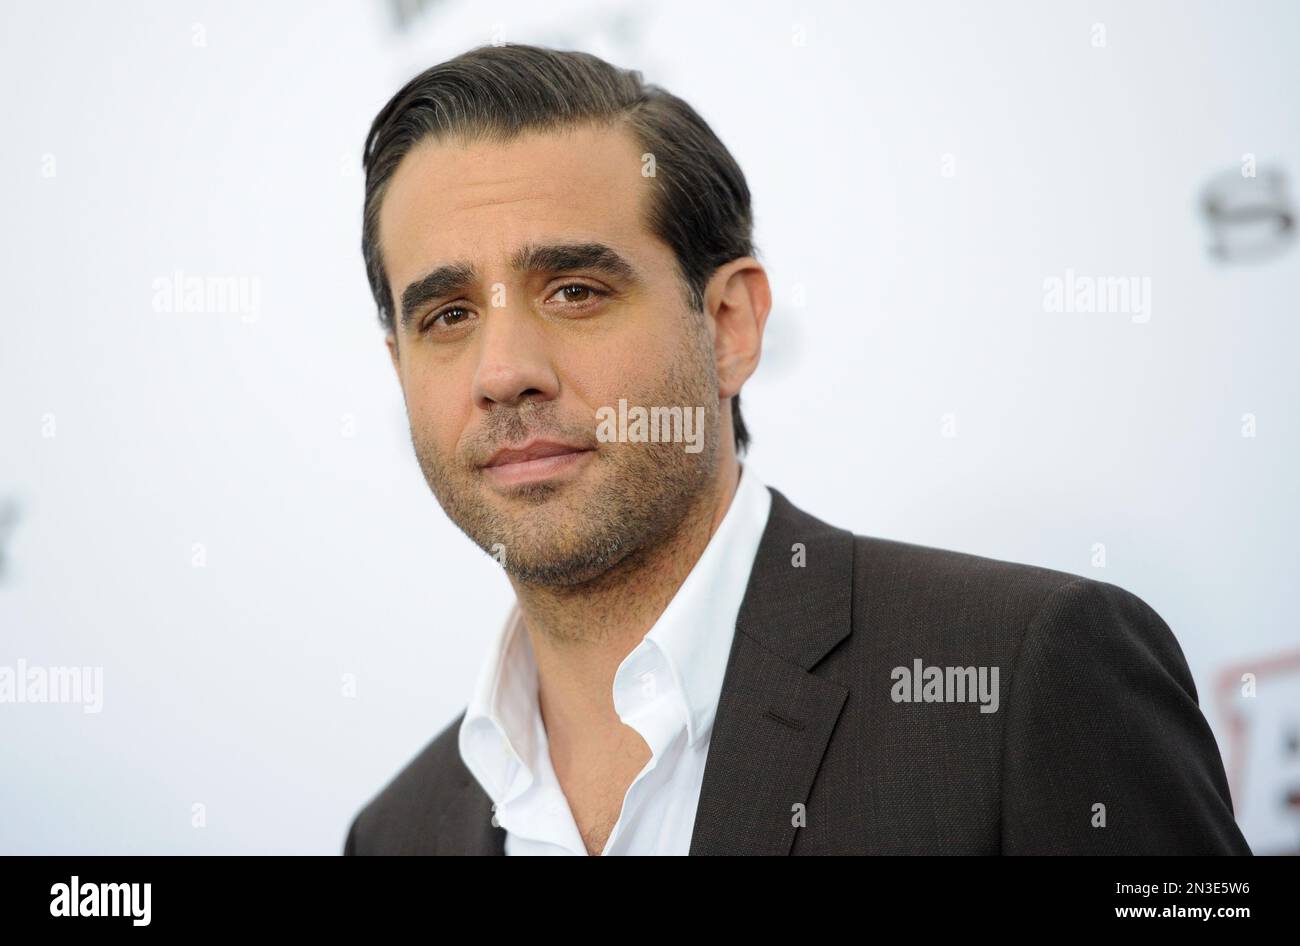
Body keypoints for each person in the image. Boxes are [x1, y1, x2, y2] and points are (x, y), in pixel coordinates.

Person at [344, 43, 1249, 855]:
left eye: (575, 291)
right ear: (401, 366)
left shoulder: (1022, 681)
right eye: (448, 316)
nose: (503, 372)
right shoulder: (397, 835)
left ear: (729, 324)